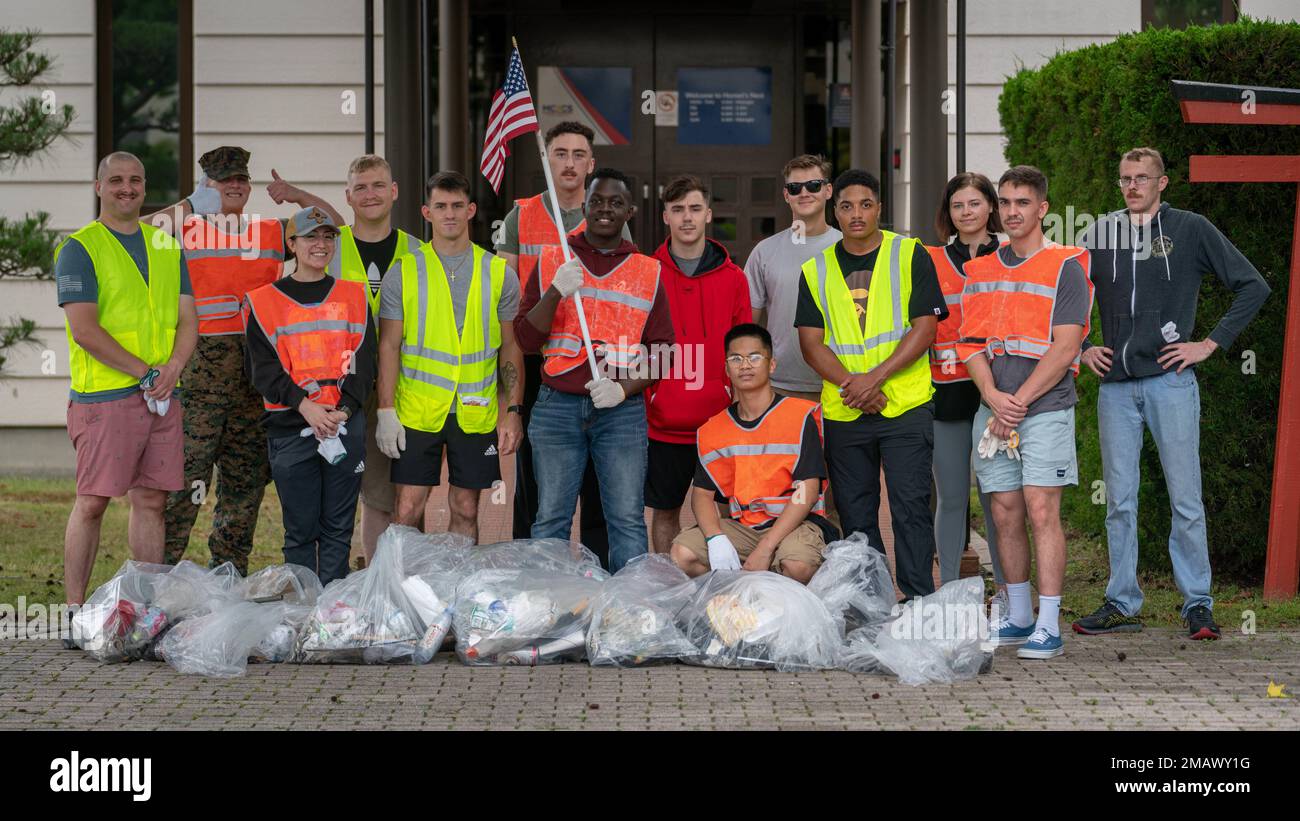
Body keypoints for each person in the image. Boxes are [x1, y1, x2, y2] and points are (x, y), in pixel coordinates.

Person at [1073, 147, 1270, 641]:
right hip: (1116, 386)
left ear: (1163, 183)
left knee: (1185, 497)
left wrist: (1209, 344)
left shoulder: (1191, 228)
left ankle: (1197, 605)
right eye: (1125, 178)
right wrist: (1081, 347)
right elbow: (1065, 295)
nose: (1132, 186)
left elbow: (1253, 285)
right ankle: (1121, 602)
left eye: (1142, 178)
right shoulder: (1099, 233)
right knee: (1119, 500)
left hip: (1170, 382)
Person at [147, 146, 343, 574]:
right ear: (207, 185)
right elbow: (134, 230)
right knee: (187, 477)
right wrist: (190, 205)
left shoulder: (270, 230)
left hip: (257, 370)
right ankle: (161, 574)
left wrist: (294, 194)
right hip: (200, 371)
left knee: (246, 480)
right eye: (223, 180)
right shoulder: (186, 228)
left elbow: (333, 225)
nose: (233, 186)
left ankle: (229, 573)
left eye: (240, 179)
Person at [955, 165, 1092, 660]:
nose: (1013, 212)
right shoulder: (981, 269)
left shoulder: (1065, 267)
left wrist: (1017, 404)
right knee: (1004, 512)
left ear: (1042, 209)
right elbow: (968, 342)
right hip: (994, 411)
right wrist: (993, 395)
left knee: (1041, 512)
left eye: (1022, 203)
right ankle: (1018, 617)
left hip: (1044, 409)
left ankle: (1049, 626)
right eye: (1006, 203)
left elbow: (1066, 347)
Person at [57, 152, 198, 622]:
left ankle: (147, 608)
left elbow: (187, 318)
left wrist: (175, 366)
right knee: (93, 502)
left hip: (161, 395)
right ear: (99, 187)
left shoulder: (165, 246)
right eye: (116, 180)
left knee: (152, 501)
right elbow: (85, 330)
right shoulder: (80, 248)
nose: (127, 188)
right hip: (106, 398)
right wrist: (146, 372)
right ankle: (75, 610)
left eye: (135, 180)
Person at [796, 169, 945, 601]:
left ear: (880, 207)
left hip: (905, 406)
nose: (856, 214)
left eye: (865, 204)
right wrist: (853, 385)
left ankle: (919, 601)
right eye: (846, 206)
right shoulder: (815, 269)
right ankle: (871, 603)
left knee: (911, 508)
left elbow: (925, 328)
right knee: (856, 514)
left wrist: (873, 380)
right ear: (834, 211)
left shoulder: (910, 254)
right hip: (847, 411)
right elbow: (810, 343)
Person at [515, 168, 674, 573]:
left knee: (625, 519)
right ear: (584, 206)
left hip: (620, 412)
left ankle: (631, 611)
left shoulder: (647, 270)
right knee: (550, 518)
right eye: (597, 201)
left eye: (615, 202)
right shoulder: (555, 259)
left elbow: (665, 353)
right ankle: (547, 609)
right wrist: (555, 290)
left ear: (630, 211)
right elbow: (526, 339)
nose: (605, 209)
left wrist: (624, 388)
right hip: (556, 407)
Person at [496, 121, 628, 559]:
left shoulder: (611, 215)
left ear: (590, 164)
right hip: (539, 359)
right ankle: (529, 575)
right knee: (535, 484)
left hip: (592, 363)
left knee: (596, 477)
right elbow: (507, 307)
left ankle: (594, 574)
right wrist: (511, 404)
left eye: (578, 155)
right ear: (547, 160)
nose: (569, 162)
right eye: (560, 153)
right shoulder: (522, 215)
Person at [375, 171, 523, 543]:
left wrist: (513, 410)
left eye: (458, 206)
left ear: (471, 210)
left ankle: (458, 588)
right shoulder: (404, 271)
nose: (450, 214)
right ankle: (405, 594)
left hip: (474, 411)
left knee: (466, 508)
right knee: (407, 507)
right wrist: (386, 411)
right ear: (427, 212)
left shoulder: (499, 273)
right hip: (417, 410)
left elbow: (510, 346)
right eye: (441, 206)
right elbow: (389, 345)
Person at [243, 207, 376, 585]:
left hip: (343, 426)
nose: (321, 245)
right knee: (300, 532)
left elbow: (364, 363)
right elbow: (262, 370)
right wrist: (306, 407)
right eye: (310, 237)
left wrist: (345, 411)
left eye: (327, 237)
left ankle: (331, 613)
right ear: (292, 244)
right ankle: (302, 611)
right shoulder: (264, 302)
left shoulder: (353, 295)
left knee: (338, 528)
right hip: (291, 428)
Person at [670, 323, 834, 583]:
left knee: (796, 565)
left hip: (796, 523)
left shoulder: (799, 415)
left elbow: (808, 490)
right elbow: (702, 495)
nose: (744, 365)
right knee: (683, 554)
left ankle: (782, 599)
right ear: (726, 369)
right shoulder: (712, 430)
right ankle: (741, 598)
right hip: (744, 526)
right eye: (735, 358)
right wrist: (715, 539)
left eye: (754, 357)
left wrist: (765, 548)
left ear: (771, 365)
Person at [645, 174, 752, 555]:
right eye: (677, 210)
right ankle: (665, 590)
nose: (686, 218)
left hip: (719, 422)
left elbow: (744, 350)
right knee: (665, 511)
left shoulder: (734, 279)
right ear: (665, 217)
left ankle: (720, 593)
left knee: (724, 513)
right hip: (663, 422)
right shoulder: (646, 274)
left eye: (694, 209)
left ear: (708, 214)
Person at [323, 154, 422, 560]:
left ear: (394, 191)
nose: (370, 194)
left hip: (400, 386)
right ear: (347, 196)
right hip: (338, 387)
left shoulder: (417, 252)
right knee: (339, 491)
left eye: (378, 185)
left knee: (390, 493)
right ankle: (350, 581)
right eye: (360, 187)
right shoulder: (328, 248)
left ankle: (391, 582)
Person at [928, 172, 1006, 599]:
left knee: (999, 499)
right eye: (958, 205)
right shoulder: (931, 259)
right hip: (949, 390)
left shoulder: (1013, 255)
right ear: (948, 212)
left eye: (974, 203)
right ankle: (949, 592)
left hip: (1000, 393)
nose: (966, 212)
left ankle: (1011, 593)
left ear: (990, 207)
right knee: (953, 499)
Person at [745, 154, 842, 400]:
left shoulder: (848, 248)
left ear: (828, 190)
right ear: (786, 195)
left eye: (814, 185)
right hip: (778, 385)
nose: (804, 193)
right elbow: (747, 327)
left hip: (842, 385)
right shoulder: (765, 252)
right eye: (795, 187)